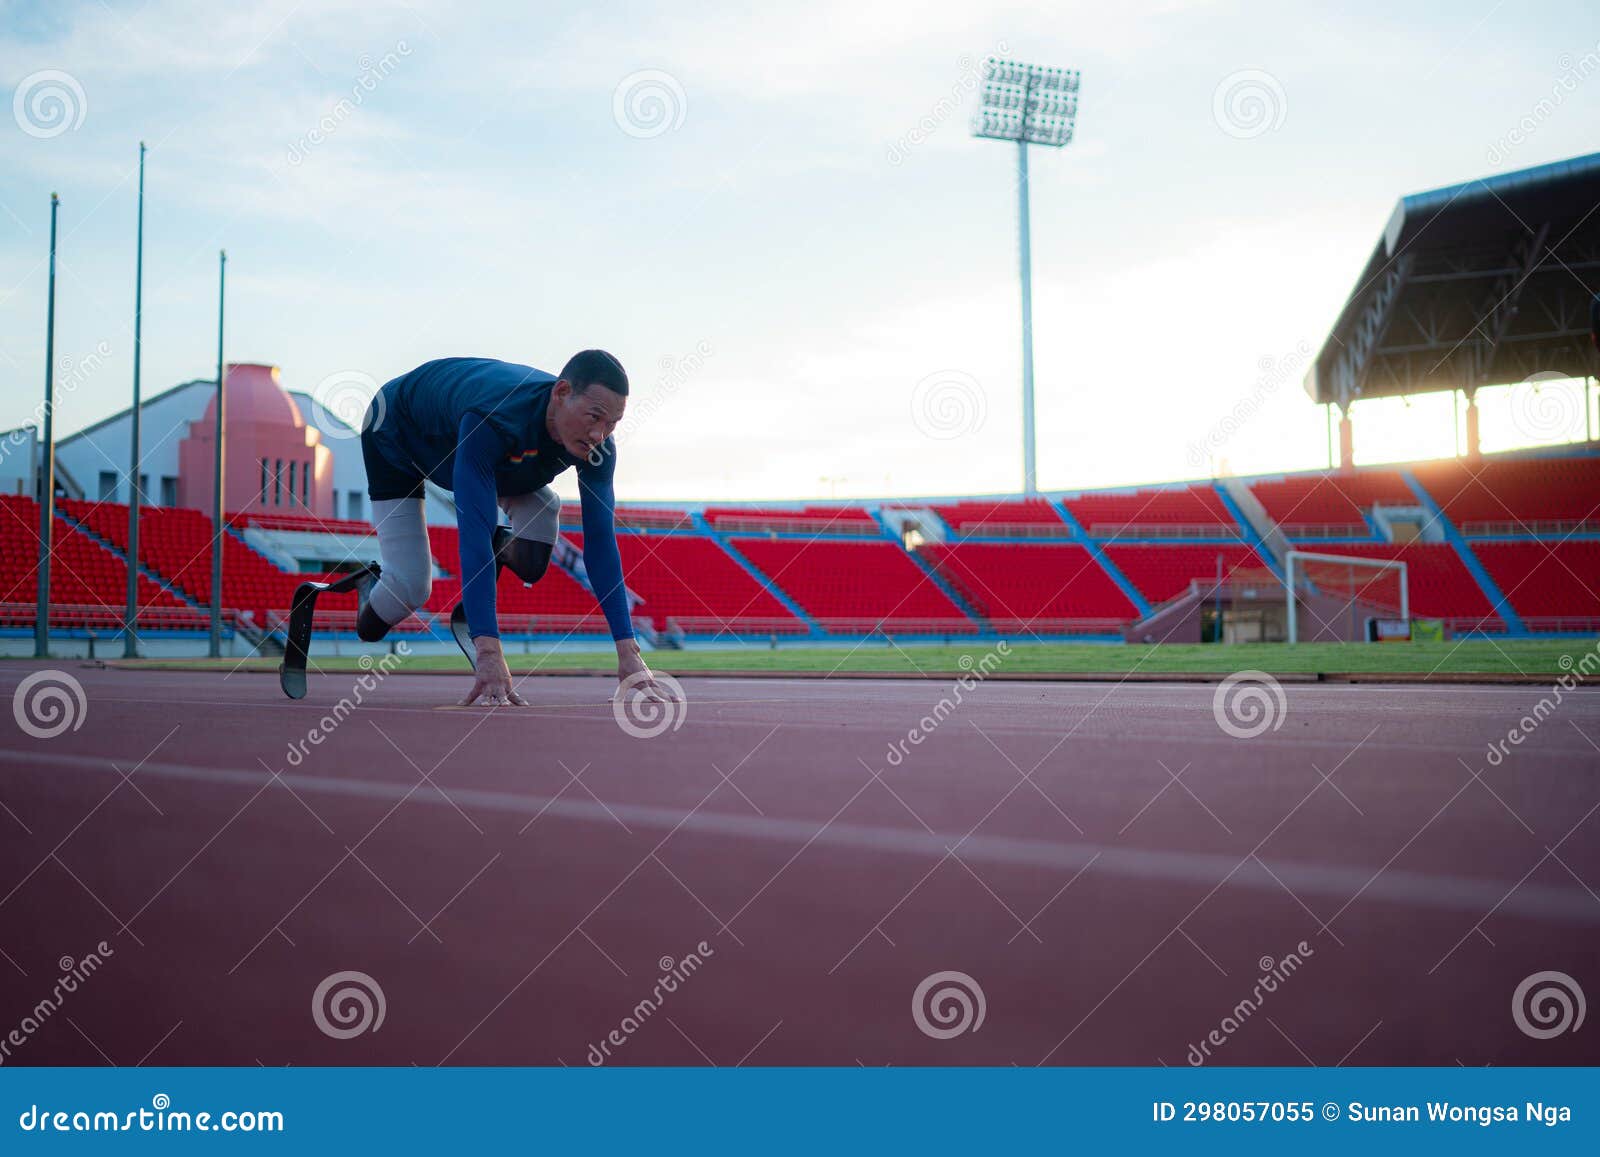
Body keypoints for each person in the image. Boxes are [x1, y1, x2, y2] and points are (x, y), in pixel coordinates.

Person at [354, 350, 672, 706]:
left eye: (612, 424)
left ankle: (500, 557)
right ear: (561, 393)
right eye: (594, 417)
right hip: (396, 431)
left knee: (537, 549)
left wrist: (629, 651)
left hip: (492, 457)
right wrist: (487, 650)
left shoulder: (596, 445)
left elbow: (600, 543)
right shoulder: (494, 419)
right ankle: (369, 587)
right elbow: (474, 534)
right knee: (409, 588)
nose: (600, 433)